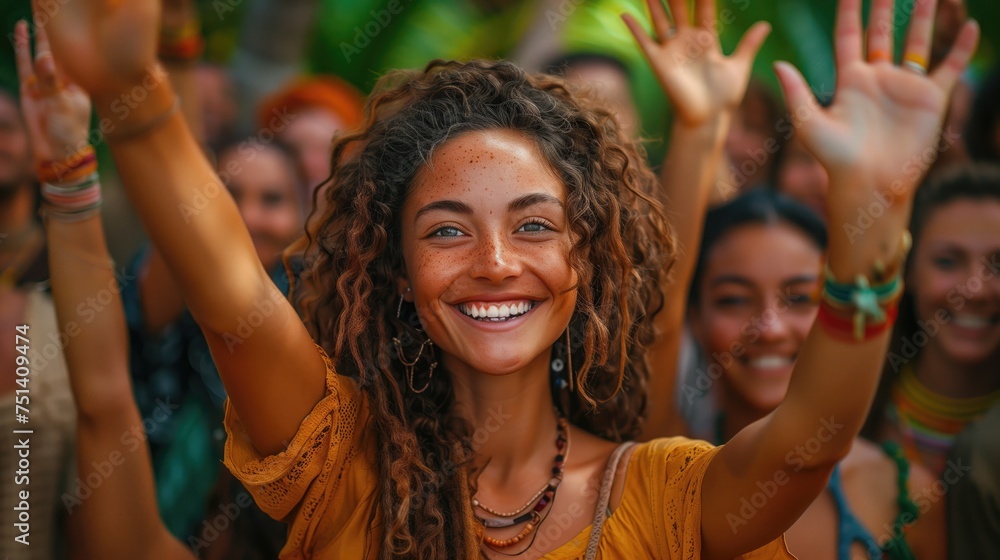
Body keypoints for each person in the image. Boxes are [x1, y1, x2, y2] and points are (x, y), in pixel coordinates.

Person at [36, 0, 978, 558]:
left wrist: (876, 217)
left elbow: (809, 444)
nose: (495, 261)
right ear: (397, 273)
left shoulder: (658, 494)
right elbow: (236, 300)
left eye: (533, 226)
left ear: (584, 261)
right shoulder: (336, 458)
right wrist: (137, 98)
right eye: (447, 230)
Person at [687, 189, 944, 559]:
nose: (770, 328)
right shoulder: (660, 479)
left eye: (800, 298)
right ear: (695, 318)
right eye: (734, 299)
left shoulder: (906, 494)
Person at [864, 164, 1000, 477]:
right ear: (908, 272)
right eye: (947, 261)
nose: (975, 289)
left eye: (999, 265)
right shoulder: (847, 415)